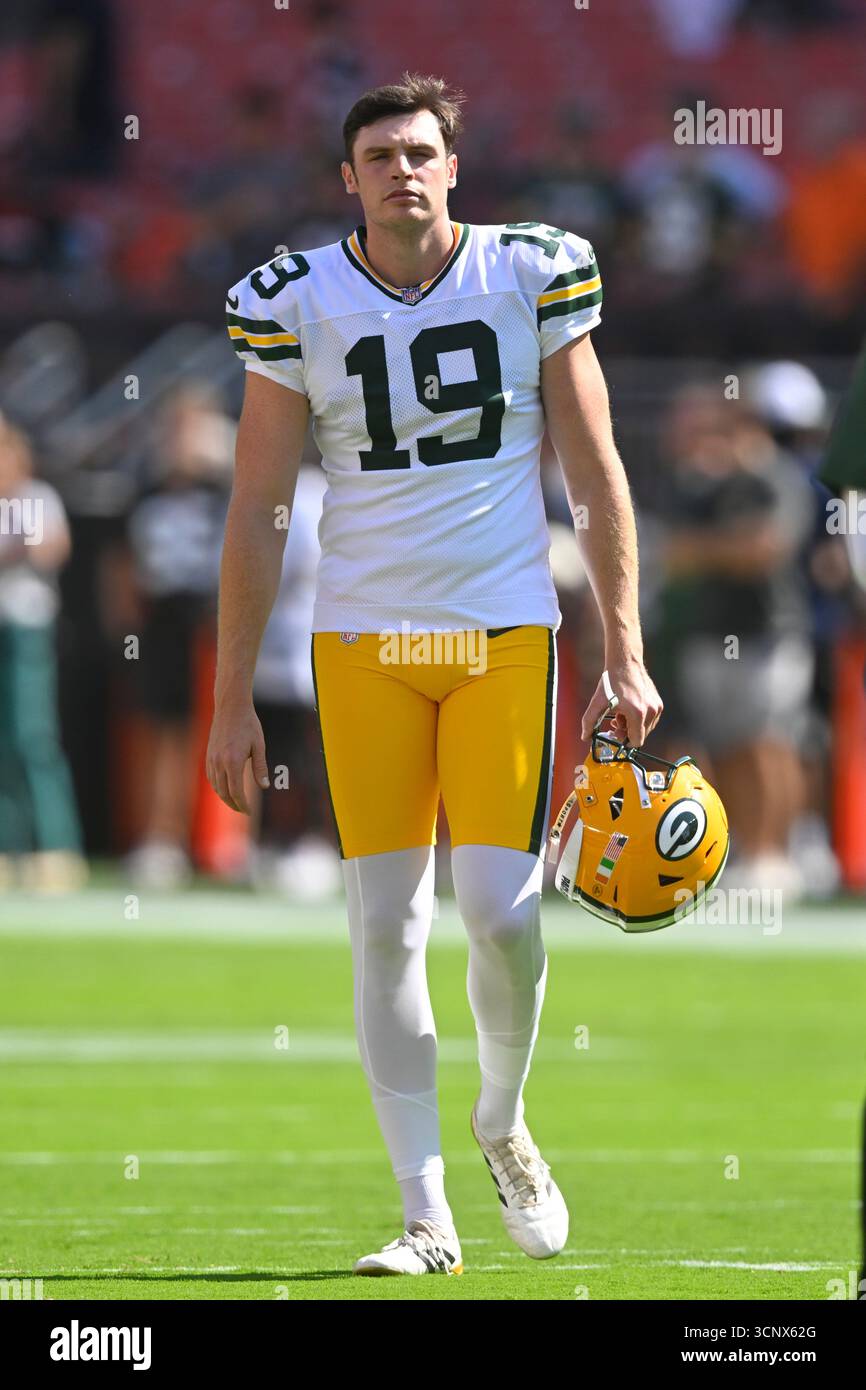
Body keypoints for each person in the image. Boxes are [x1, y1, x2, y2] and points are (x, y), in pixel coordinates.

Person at [207, 73, 661, 1278]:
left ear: (453, 166)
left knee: (501, 920)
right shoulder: (294, 298)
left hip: (501, 632)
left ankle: (502, 1119)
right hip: (362, 642)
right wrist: (230, 693)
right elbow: (256, 505)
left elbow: (593, 466)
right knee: (385, 927)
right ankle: (425, 1216)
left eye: (420, 150)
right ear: (345, 179)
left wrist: (622, 642)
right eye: (378, 155)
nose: (402, 169)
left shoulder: (529, 271)